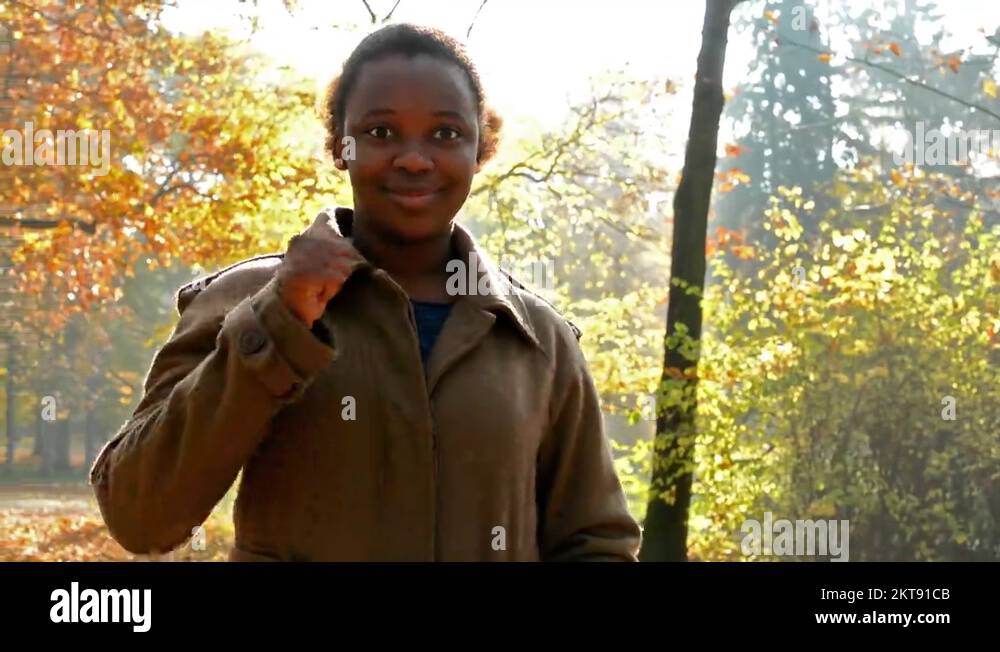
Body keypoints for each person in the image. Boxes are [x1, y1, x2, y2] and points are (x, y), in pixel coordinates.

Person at [89, 23, 641, 561]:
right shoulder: (246, 301)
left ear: (480, 149)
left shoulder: (538, 340)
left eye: (446, 134)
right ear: (339, 145)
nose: (414, 158)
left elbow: (596, 542)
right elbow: (141, 517)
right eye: (380, 132)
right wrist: (279, 321)